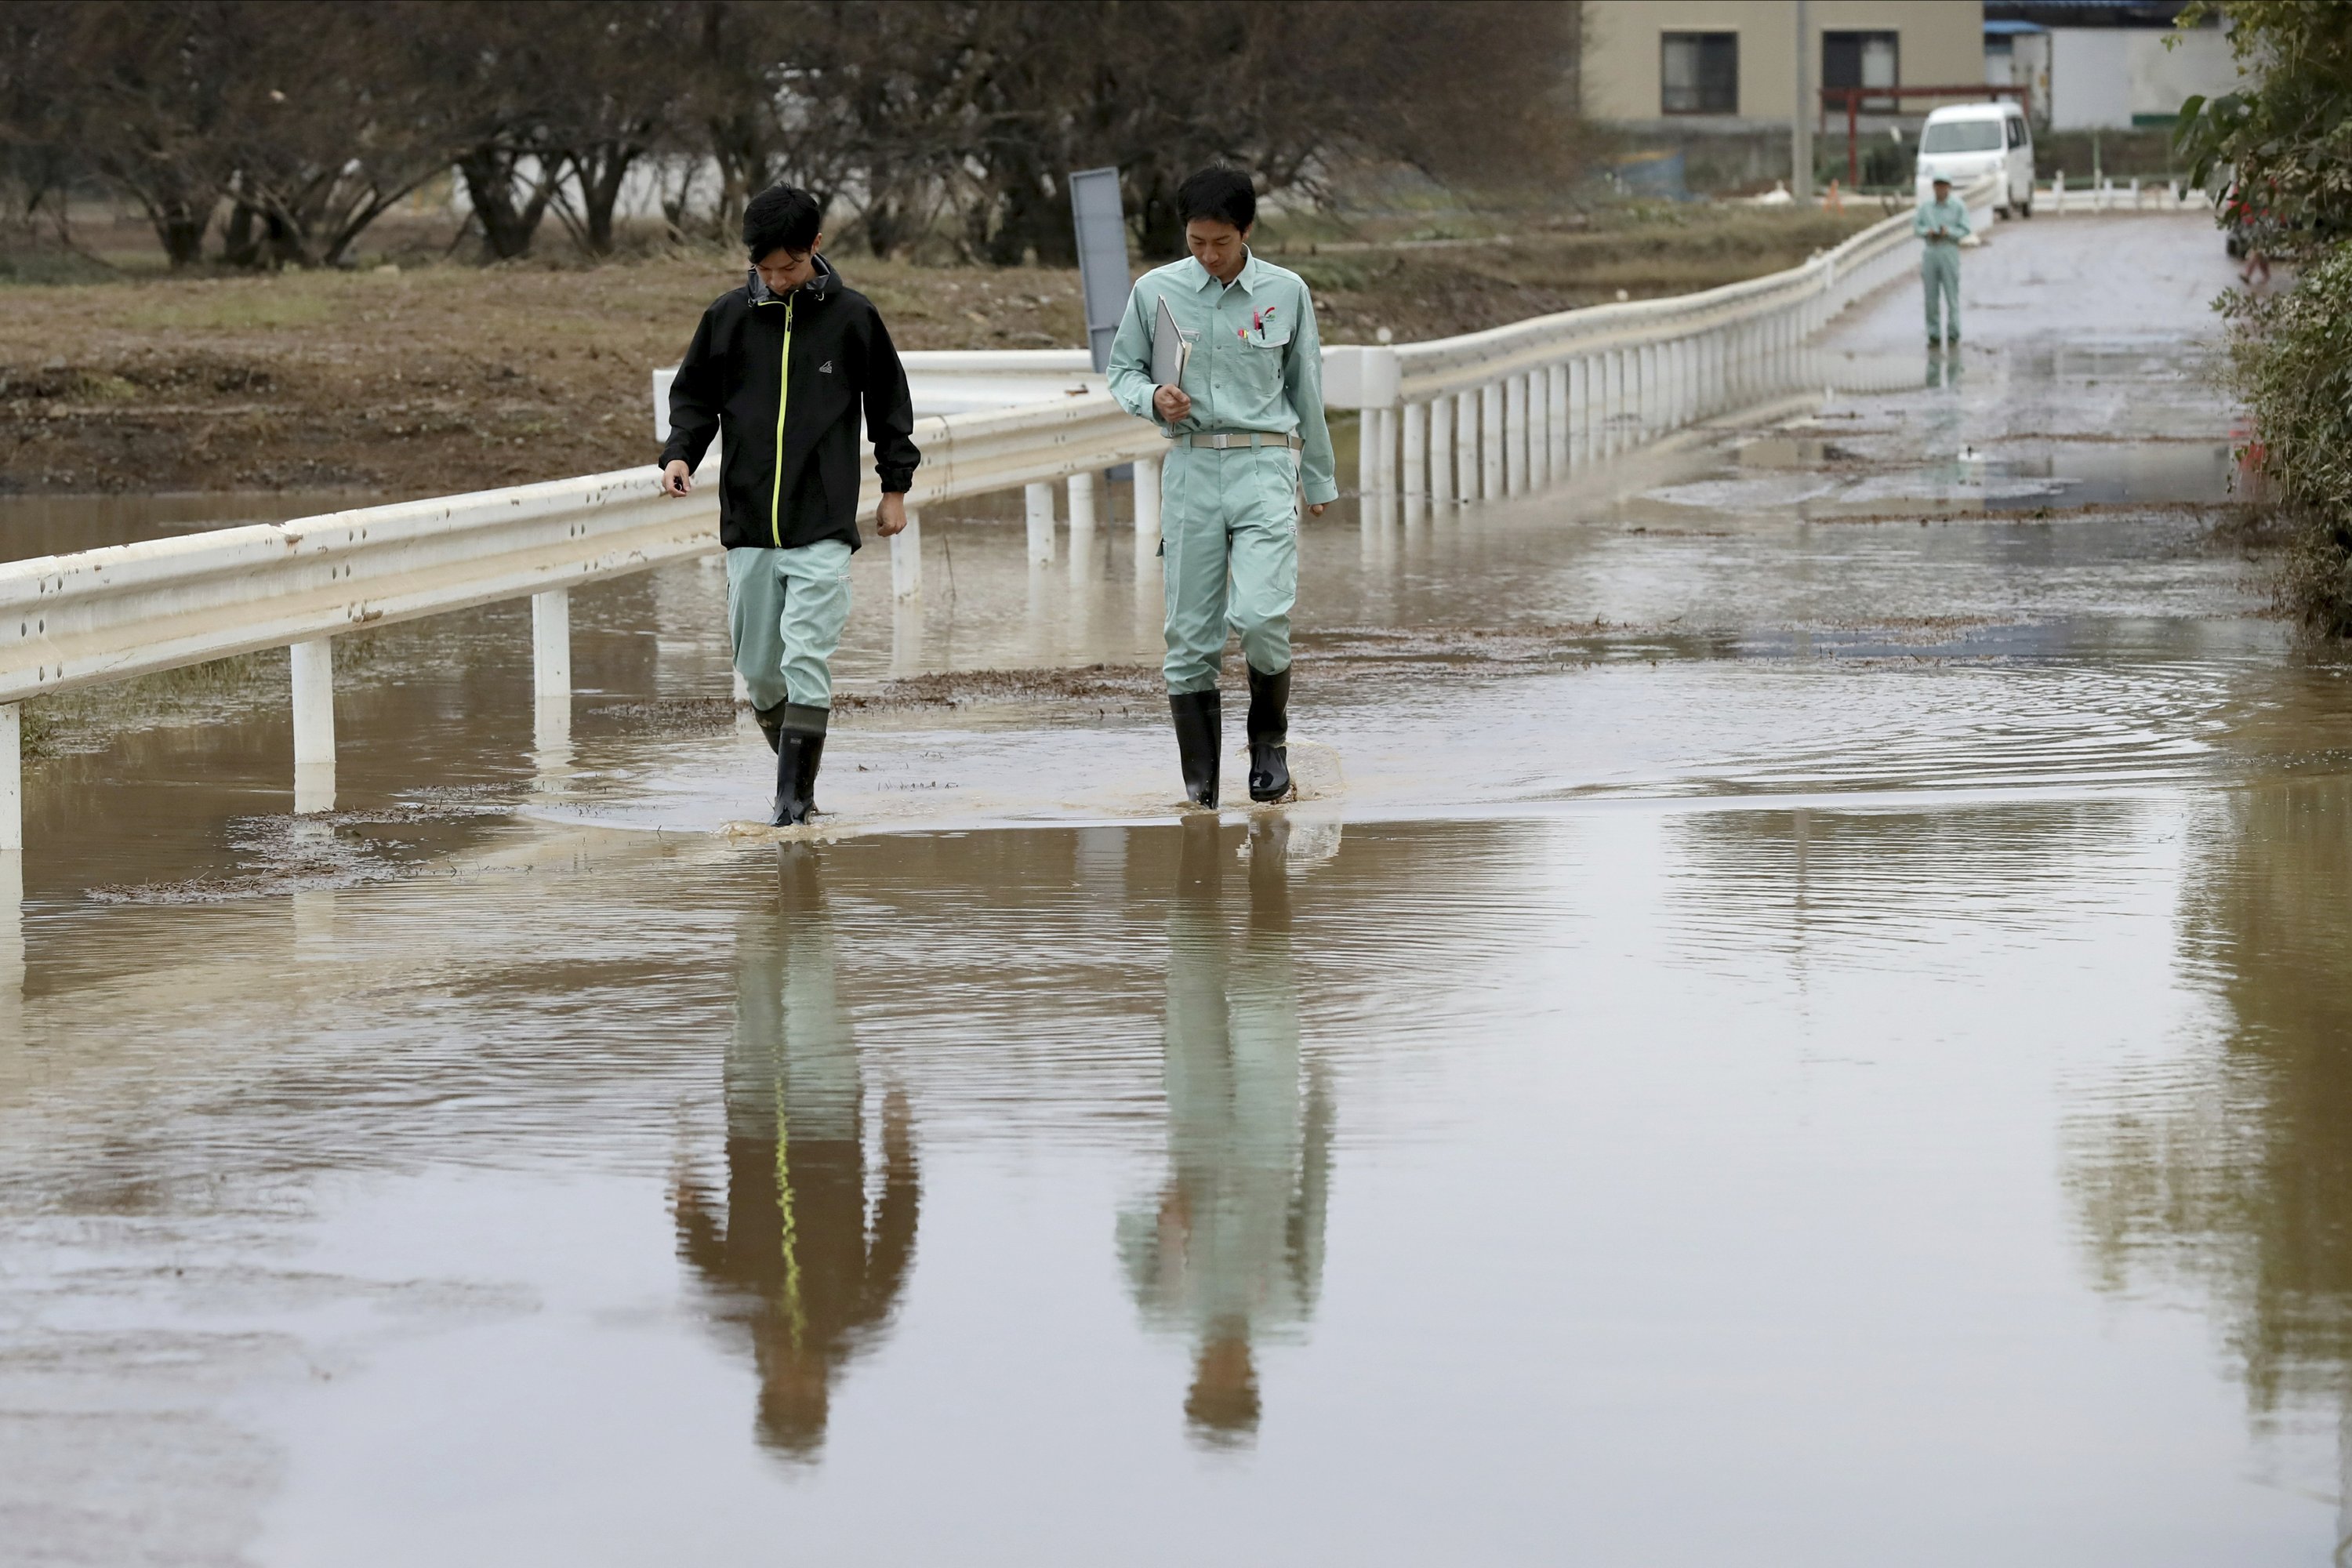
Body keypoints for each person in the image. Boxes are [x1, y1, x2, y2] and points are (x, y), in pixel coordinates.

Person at [659, 184, 920, 826]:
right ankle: (800, 784)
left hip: (823, 523)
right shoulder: (726, 317)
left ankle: (791, 808)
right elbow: (694, 398)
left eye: (791, 267)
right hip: (749, 523)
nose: (777, 280)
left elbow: (890, 406)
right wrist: (680, 454)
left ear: (816, 248)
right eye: (766, 268)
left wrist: (894, 489)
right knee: (758, 672)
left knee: (806, 657)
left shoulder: (853, 317)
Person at [1107, 167, 1338, 810]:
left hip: (1265, 465)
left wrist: (1318, 476)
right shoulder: (1155, 291)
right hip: (1191, 467)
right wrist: (1154, 397)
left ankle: (1268, 746)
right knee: (1189, 637)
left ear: (1247, 231)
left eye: (1221, 243)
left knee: (1261, 615)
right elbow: (1122, 371)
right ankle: (1200, 792)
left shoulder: (1286, 292)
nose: (1209, 255)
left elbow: (1306, 386)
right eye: (1196, 242)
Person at [1914, 175, 1970, 350]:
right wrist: (1928, 231)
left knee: (1951, 294)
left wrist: (1949, 232)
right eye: (1938, 186)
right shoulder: (1926, 207)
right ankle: (1934, 333)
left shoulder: (1958, 206)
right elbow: (1916, 227)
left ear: (1949, 188)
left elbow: (1966, 229)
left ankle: (1954, 332)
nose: (1941, 189)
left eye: (1944, 186)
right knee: (1931, 296)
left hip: (1949, 249)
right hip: (1931, 250)